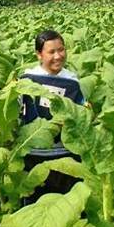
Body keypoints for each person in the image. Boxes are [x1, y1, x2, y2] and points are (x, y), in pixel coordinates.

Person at [19, 29, 89, 206]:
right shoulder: (26, 80)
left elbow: (81, 112)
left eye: (61, 50)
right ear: (39, 54)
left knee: (67, 202)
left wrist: (86, 110)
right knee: (35, 200)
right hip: (34, 152)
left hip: (65, 153)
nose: (58, 56)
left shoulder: (72, 81)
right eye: (51, 52)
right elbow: (16, 112)